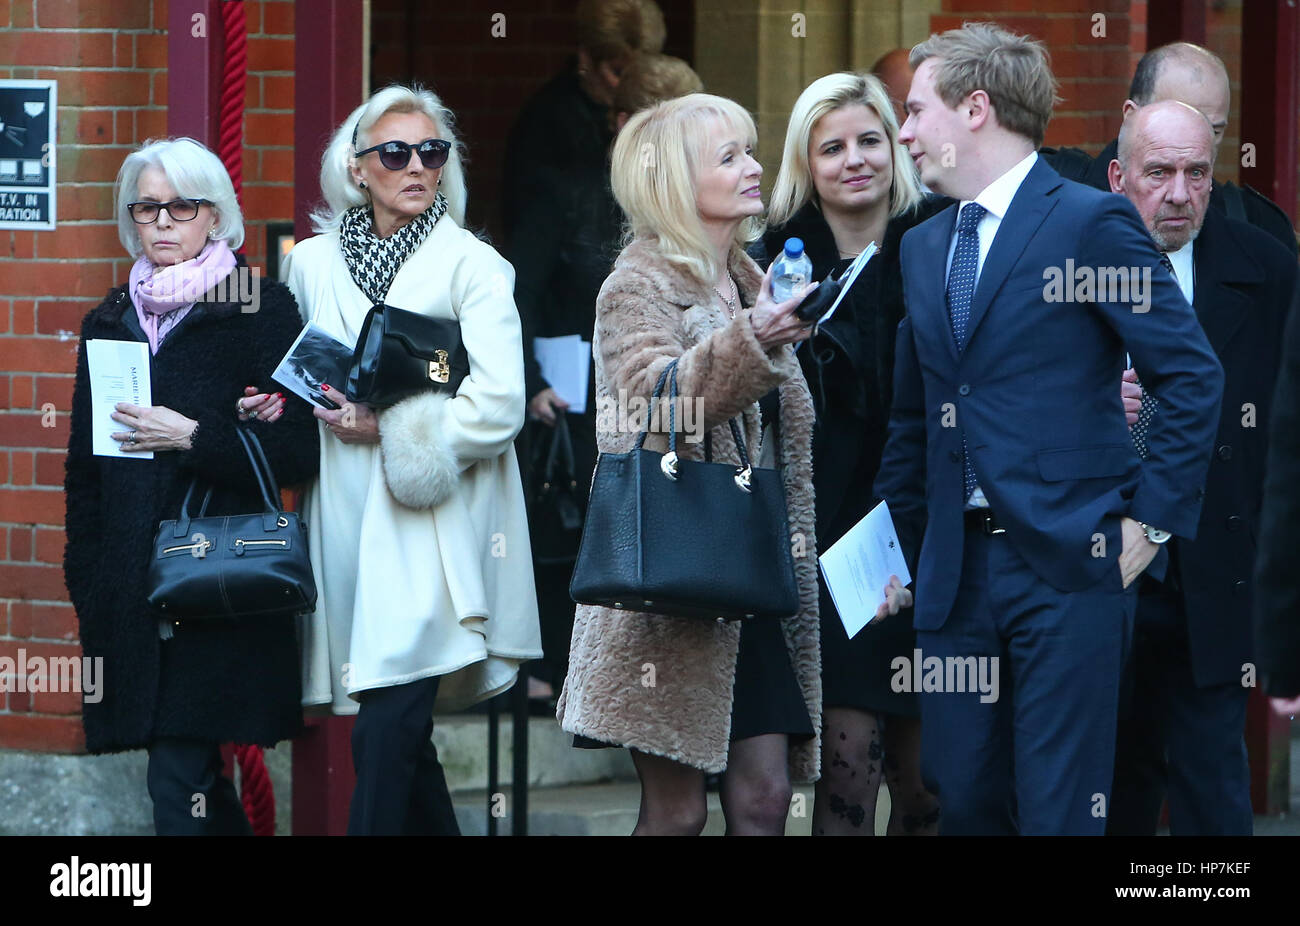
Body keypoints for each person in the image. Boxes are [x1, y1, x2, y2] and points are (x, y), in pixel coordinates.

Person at [872, 23, 1224, 836]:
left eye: (917, 109)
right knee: (962, 801)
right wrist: (894, 549)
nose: (906, 132)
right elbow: (915, 417)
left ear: (975, 109)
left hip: (1068, 569)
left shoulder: (1088, 223)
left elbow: (1192, 374)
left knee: (1060, 812)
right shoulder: (922, 246)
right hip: (954, 580)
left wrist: (1152, 524)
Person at [558, 93, 845, 836]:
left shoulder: (755, 279)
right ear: (675, 184)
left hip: (749, 576)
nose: (754, 167)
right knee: (678, 813)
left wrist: (763, 327)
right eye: (730, 157)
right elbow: (658, 404)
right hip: (671, 585)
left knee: (764, 798)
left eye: (750, 150)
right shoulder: (636, 286)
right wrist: (753, 341)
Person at [270, 84, 542, 836]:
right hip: (347, 515)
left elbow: (499, 404)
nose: (415, 166)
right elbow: (298, 375)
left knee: (385, 726)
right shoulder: (312, 264)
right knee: (401, 728)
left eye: (431, 152)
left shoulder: (474, 265)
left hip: (437, 520)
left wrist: (392, 428)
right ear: (358, 168)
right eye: (394, 153)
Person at [63, 137, 320, 835]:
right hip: (131, 593)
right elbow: (84, 474)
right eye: (148, 207)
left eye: (183, 206)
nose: (165, 222)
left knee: (177, 779)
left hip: (219, 585)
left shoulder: (261, 310)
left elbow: (296, 449)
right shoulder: (110, 321)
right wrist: (88, 580)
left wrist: (193, 436)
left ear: (217, 216)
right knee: (188, 779)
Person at [760, 72, 946, 836]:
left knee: (932, 783)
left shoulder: (943, 242)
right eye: (831, 147)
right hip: (826, 545)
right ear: (806, 162)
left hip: (935, 533)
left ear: (895, 146)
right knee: (847, 777)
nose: (854, 160)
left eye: (870, 140)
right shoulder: (768, 265)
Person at [1105, 101, 1298, 835]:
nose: (1179, 193)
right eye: (1159, 173)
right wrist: (1098, 406)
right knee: (1110, 783)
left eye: (1196, 174)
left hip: (1214, 563)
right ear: (1120, 176)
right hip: (1102, 558)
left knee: (1211, 784)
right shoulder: (1061, 267)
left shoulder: (1269, 272)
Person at [504, 0, 667, 703]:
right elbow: (521, 284)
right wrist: (531, 378)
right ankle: (550, 672)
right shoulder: (556, 153)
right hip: (567, 374)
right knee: (567, 512)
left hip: (624, 385)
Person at [1041, 42, 1297, 256]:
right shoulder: (1046, 193)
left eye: (1215, 131)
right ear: (1131, 115)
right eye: (1177, 121)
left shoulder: (1259, 228)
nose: (1199, 141)